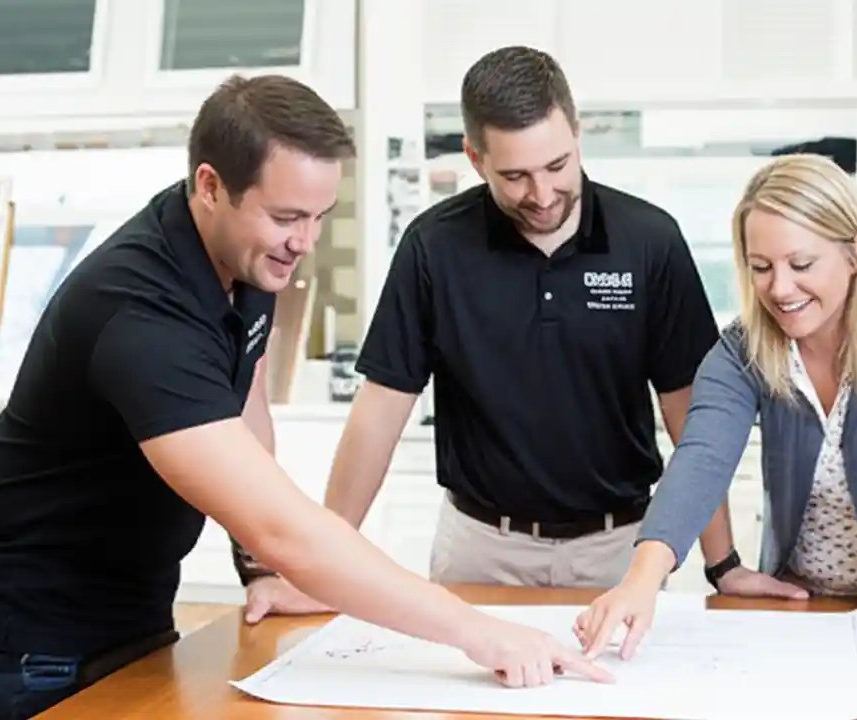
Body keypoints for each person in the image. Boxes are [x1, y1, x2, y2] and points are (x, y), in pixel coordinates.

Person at [0, 74, 609, 720]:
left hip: (129, 589)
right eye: (287, 216)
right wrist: (477, 632)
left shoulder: (242, 257)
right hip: (30, 613)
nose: (304, 242)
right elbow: (281, 525)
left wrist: (258, 566)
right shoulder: (138, 313)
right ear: (210, 186)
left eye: (319, 216)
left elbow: (243, 407)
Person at [237, 45, 724, 622]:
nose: (542, 195)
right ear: (474, 157)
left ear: (577, 134)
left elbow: (693, 419)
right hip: (480, 550)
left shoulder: (650, 241)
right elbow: (379, 414)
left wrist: (726, 565)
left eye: (557, 166)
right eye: (515, 176)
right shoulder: (434, 246)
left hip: (620, 551)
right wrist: (322, 567)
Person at [572, 154, 857, 717]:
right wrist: (641, 580)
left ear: (854, 253)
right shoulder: (745, 349)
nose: (780, 288)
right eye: (761, 267)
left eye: (801, 263)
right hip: (805, 611)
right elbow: (700, 459)